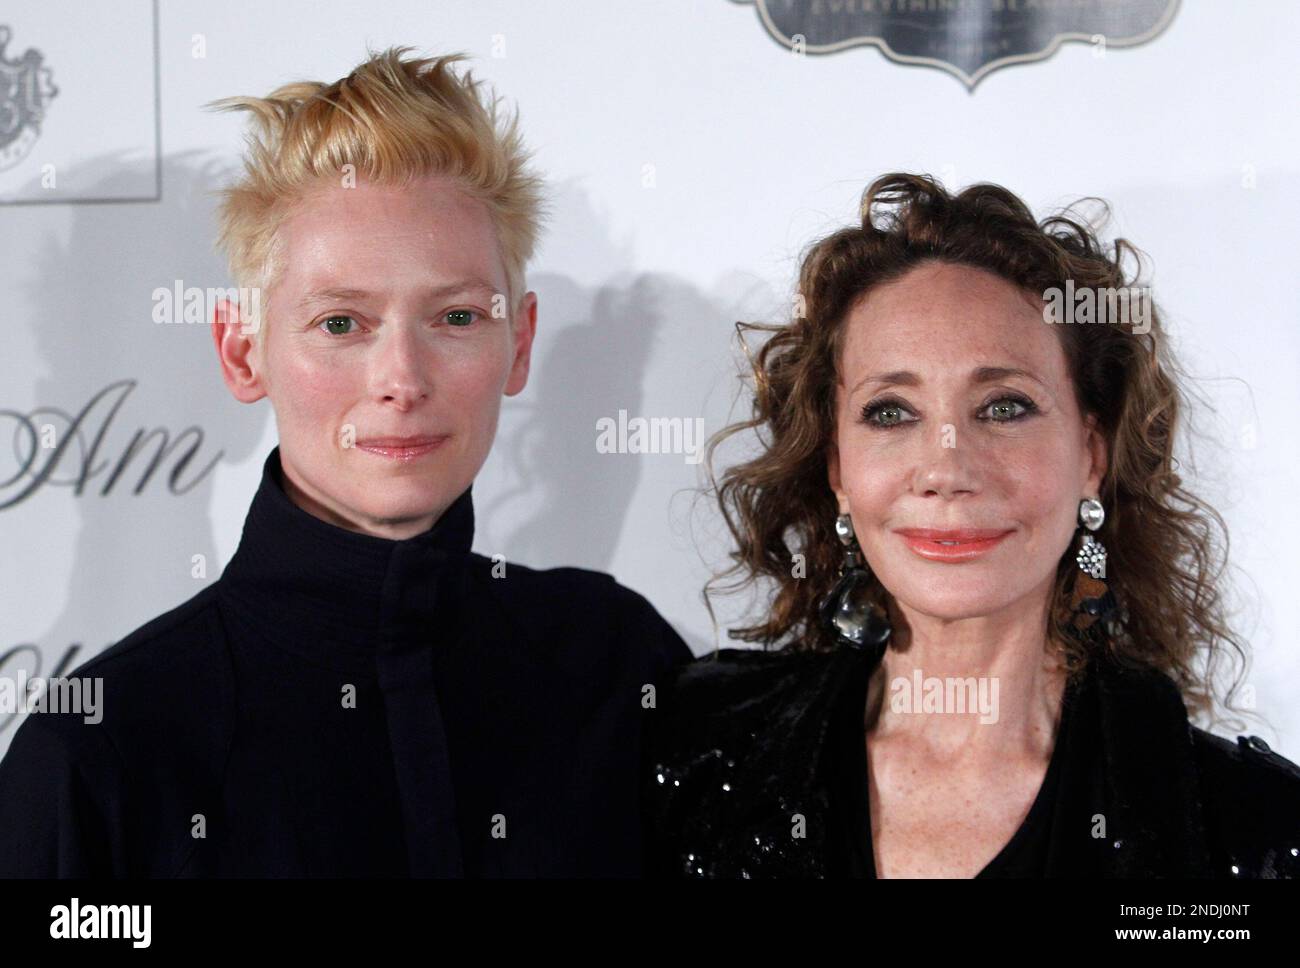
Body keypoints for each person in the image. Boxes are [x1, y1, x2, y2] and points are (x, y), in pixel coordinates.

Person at [0, 47, 692, 877]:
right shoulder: (98, 752)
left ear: (521, 343)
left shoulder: (617, 662)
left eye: (457, 317)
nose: (401, 379)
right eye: (340, 324)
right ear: (242, 352)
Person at [644, 172, 1300, 878]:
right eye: (891, 412)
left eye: (1004, 406)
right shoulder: (694, 754)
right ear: (836, 468)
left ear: (1092, 454)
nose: (946, 468)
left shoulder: (1247, 828)